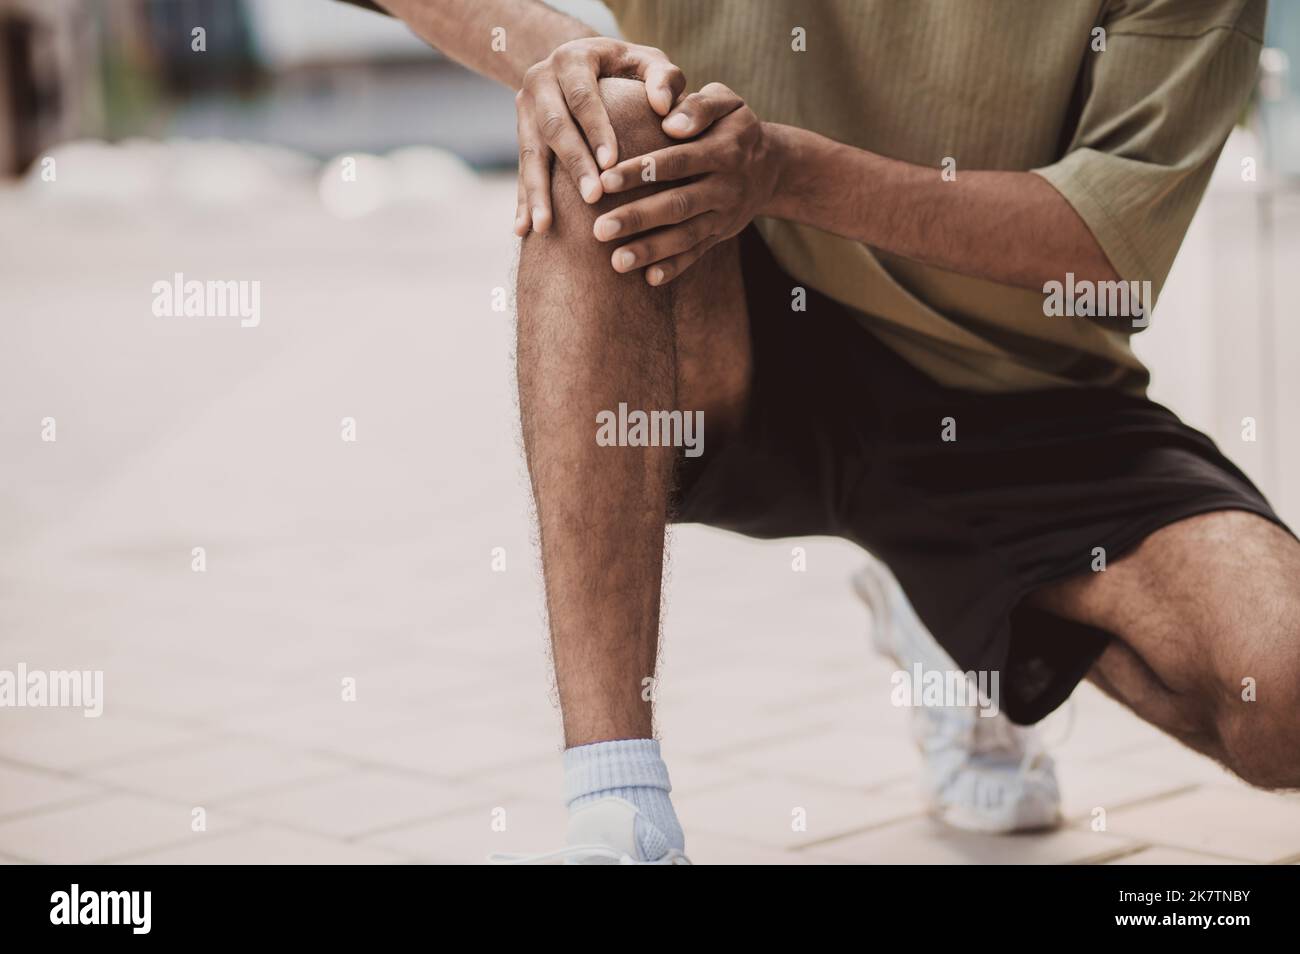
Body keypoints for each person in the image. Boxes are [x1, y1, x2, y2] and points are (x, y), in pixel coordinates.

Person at [343, 0, 1295, 864]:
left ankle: (945, 619)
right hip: (742, 328)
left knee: (1281, 687)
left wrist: (787, 171)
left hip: (1023, 390)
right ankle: (618, 815)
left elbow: (1105, 246)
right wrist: (569, 60)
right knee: (608, 124)